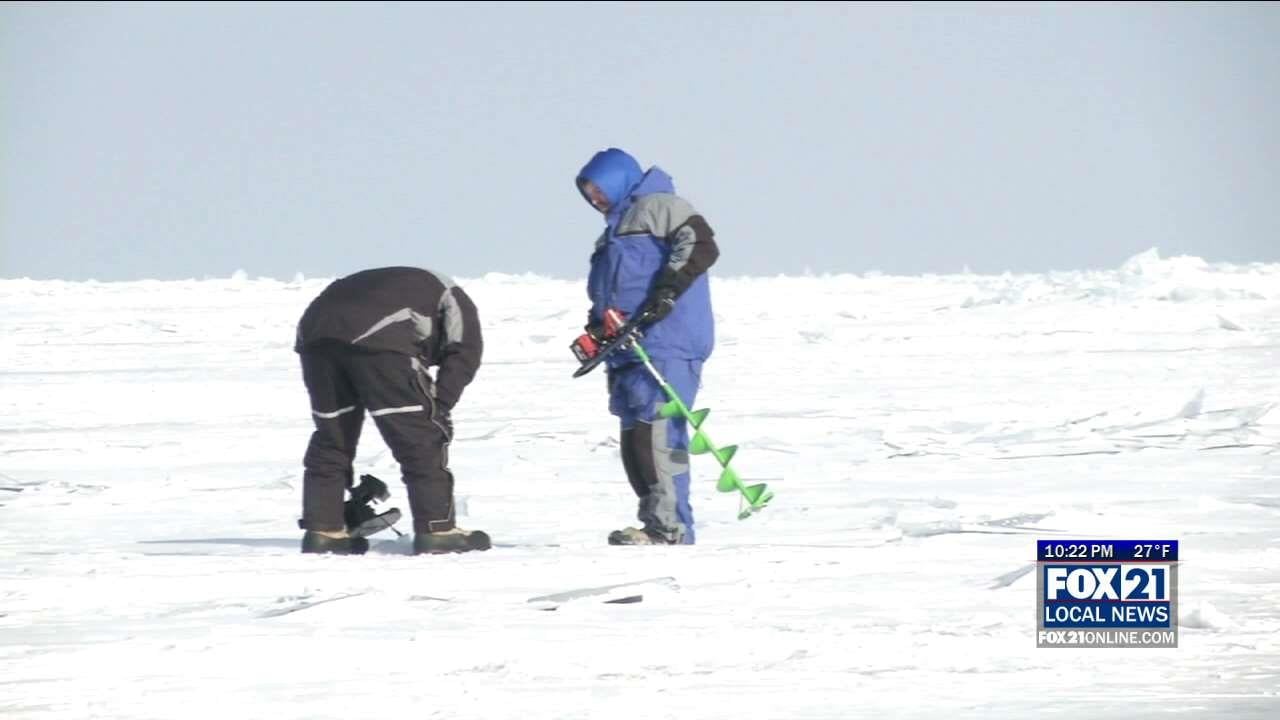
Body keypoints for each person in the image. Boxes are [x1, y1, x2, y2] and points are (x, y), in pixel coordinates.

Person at [575, 148, 721, 546]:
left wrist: (668, 291)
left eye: (599, 189)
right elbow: (608, 290)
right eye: (588, 194)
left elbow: (701, 245)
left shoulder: (661, 207)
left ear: (618, 179)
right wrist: (597, 326)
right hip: (626, 347)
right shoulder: (613, 231)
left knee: (660, 432)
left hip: (668, 340)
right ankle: (653, 522)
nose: (595, 199)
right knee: (635, 436)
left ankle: (672, 527)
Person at [293, 266, 489, 555]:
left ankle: (324, 530)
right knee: (419, 439)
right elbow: (465, 353)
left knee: (332, 437)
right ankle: (438, 530)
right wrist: (440, 406)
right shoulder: (452, 295)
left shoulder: (398, 284)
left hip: (316, 337)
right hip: (382, 339)